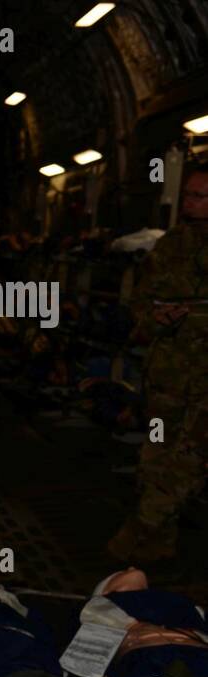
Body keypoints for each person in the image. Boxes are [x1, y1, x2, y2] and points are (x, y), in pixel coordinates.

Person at [108, 167, 208, 564]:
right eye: (189, 194)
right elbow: (139, 307)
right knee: (155, 456)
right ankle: (158, 545)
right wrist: (156, 320)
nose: (189, 202)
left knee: (189, 461)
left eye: (200, 196)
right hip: (167, 377)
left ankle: (141, 531)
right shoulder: (169, 248)